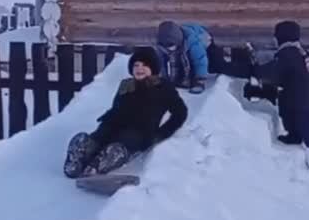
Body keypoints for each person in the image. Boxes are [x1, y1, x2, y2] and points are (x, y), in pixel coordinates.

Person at [63, 47, 188, 178]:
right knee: (98, 137)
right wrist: (107, 121)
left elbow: (180, 113)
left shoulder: (163, 87)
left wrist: (161, 134)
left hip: (140, 132)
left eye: (145, 65)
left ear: (153, 68)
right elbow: (117, 107)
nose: (139, 68)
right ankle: (81, 156)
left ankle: (100, 163)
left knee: (121, 145)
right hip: (115, 125)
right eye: (136, 65)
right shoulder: (126, 85)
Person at [245, 20, 309, 168]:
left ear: (282, 37)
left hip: (301, 93)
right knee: (288, 112)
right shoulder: (298, 50)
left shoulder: (288, 53)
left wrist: (258, 71)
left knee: (304, 120)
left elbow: (274, 70)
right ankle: (294, 135)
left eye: (276, 36)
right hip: (297, 90)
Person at [156, 21, 213, 94]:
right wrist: (164, 80)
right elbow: (161, 63)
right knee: (176, 58)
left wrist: (200, 79)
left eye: (171, 45)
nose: (170, 48)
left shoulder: (191, 41)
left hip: (206, 45)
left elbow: (200, 60)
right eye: (167, 47)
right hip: (182, 49)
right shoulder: (161, 46)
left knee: (212, 67)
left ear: (178, 41)